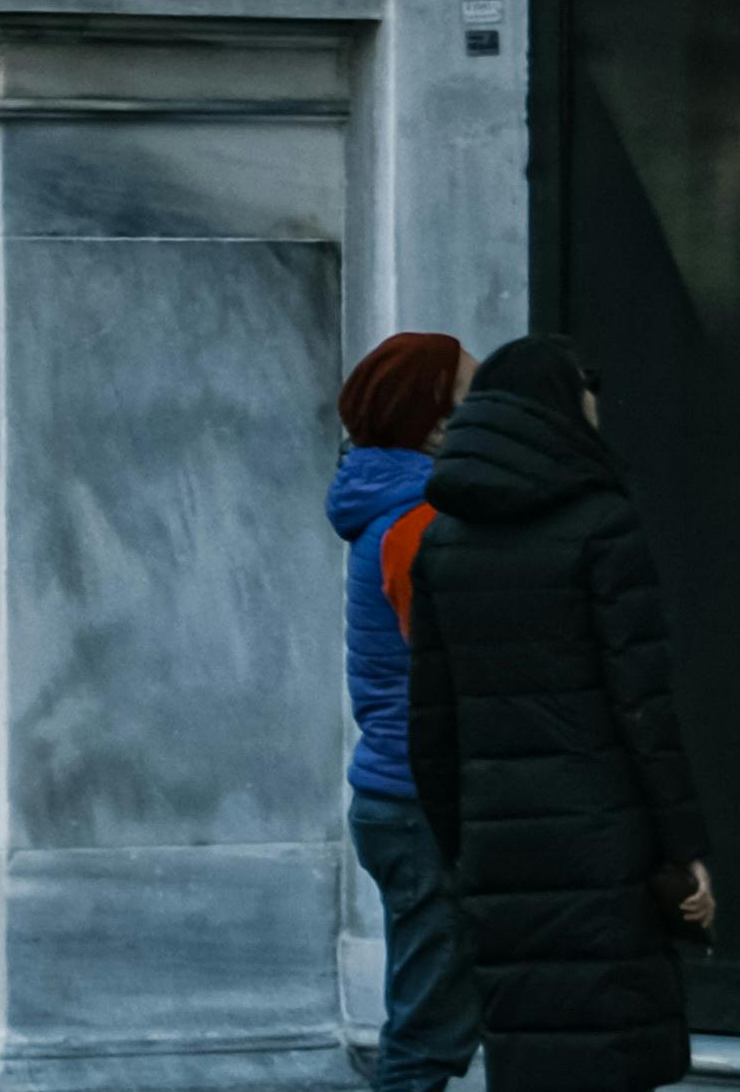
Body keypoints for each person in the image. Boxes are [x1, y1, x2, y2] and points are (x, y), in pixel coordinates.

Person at [403, 336, 716, 1092]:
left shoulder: (441, 541)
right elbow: (641, 706)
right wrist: (684, 848)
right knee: (607, 1049)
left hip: (498, 843)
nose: (596, 407)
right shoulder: (603, 524)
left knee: (532, 1052)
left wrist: (462, 846)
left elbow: (432, 726)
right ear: (558, 405)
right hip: (601, 840)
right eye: (586, 391)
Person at [331, 327, 481, 1092]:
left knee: (433, 1014)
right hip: (420, 801)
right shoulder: (418, 523)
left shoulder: (398, 509)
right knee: (427, 1033)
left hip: (401, 797)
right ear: (433, 422)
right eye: (472, 396)